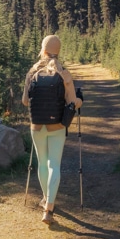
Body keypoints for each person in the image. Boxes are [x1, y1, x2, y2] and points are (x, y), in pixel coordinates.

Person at [22, 34, 82, 225]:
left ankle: (46, 198)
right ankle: (49, 207)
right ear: (58, 50)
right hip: (57, 125)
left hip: (37, 124)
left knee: (41, 163)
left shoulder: (32, 71)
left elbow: (25, 101)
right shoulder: (63, 73)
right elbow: (73, 102)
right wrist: (80, 100)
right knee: (54, 164)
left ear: (43, 49)